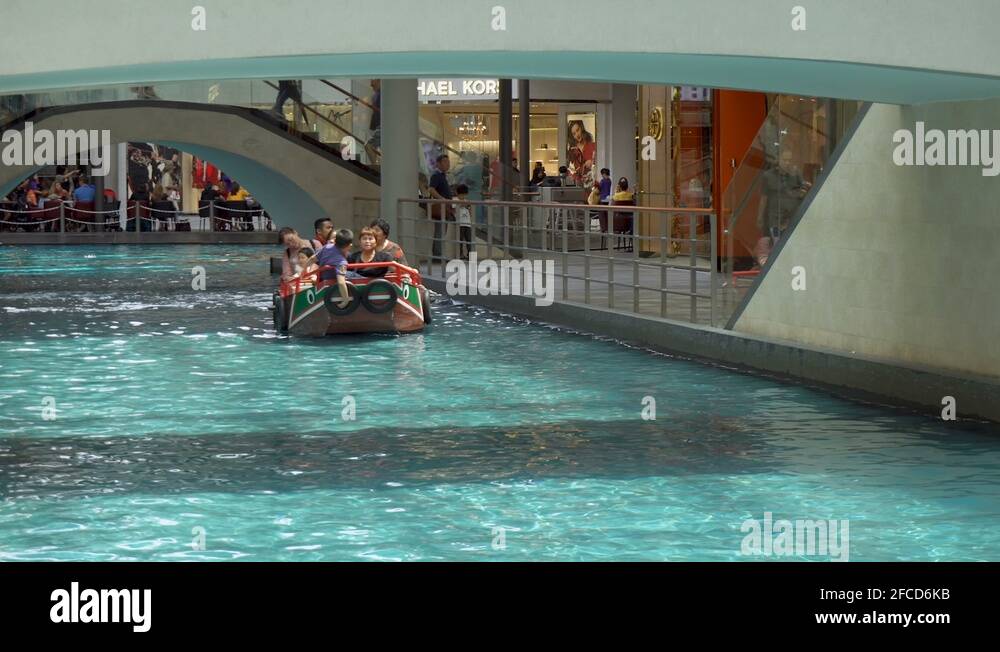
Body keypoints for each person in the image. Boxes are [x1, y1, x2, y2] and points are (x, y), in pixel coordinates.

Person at [311, 228, 354, 309]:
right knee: (354, 275)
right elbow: (341, 282)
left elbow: (312, 258)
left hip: (323, 277)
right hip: (332, 278)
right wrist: (345, 300)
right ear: (349, 245)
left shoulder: (326, 247)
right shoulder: (341, 262)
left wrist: (303, 272)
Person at [428, 154, 453, 258]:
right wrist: (441, 199)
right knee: (440, 231)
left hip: (446, 207)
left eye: (448, 162)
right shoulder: (436, 175)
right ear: (438, 163)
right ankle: (438, 255)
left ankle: (438, 254)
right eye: (445, 162)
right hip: (441, 207)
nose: (448, 164)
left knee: (442, 231)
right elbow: (431, 189)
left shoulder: (444, 176)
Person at [567, 120, 597, 186]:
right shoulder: (572, 150)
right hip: (579, 186)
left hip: (592, 184)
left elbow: (600, 163)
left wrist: (592, 162)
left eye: (577, 130)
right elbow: (570, 170)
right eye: (574, 134)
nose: (577, 135)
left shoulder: (593, 146)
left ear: (582, 128)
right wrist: (576, 178)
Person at [454, 184, 473, 260]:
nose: (463, 197)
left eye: (465, 195)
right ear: (458, 194)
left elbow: (470, 211)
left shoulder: (466, 201)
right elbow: (455, 207)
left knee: (469, 240)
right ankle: (460, 255)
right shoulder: (455, 200)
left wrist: (468, 206)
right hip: (460, 223)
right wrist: (465, 204)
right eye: (462, 195)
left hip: (467, 223)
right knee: (460, 240)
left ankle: (470, 255)